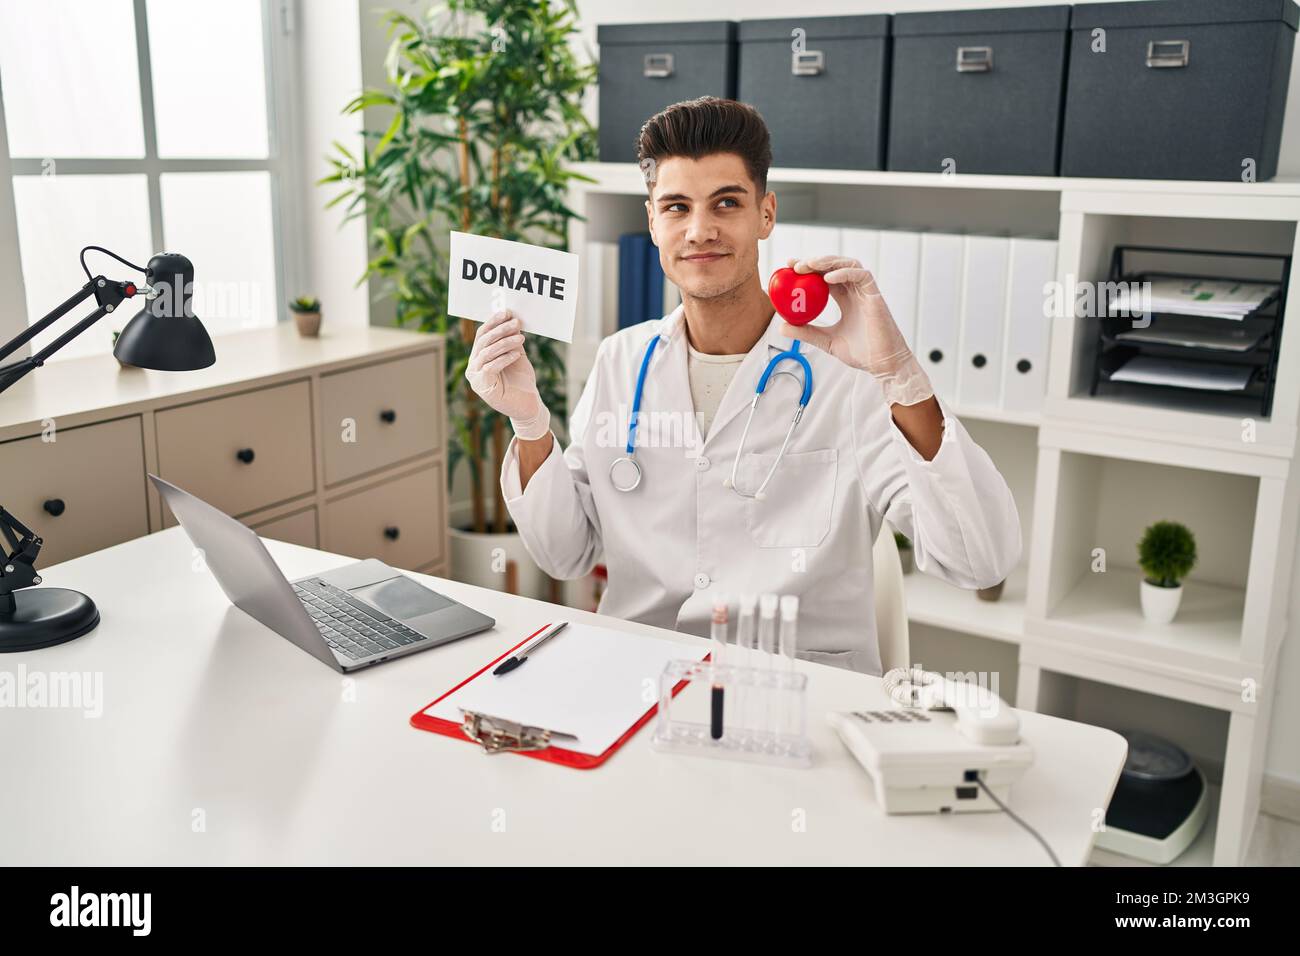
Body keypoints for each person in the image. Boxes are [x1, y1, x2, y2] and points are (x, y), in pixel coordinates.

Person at [465, 96, 1020, 675]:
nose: (700, 230)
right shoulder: (620, 361)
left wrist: (900, 374)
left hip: (794, 694)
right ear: (653, 221)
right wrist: (528, 422)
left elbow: (980, 560)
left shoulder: (848, 377)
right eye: (677, 207)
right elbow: (565, 553)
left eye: (725, 203)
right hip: (640, 683)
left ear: (766, 213)